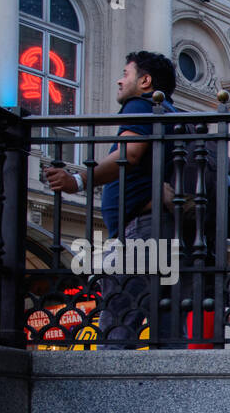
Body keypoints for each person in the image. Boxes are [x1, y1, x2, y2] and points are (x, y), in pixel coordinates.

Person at [45, 51, 179, 346]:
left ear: (145, 81)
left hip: (143, 230)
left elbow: (129, 153)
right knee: (167, 324)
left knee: (117, 323)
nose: (120, 80)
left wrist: (77, 180)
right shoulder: (169, 113)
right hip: (163, 228)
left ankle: (109, 388)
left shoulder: (142, 105)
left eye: (126, 73)